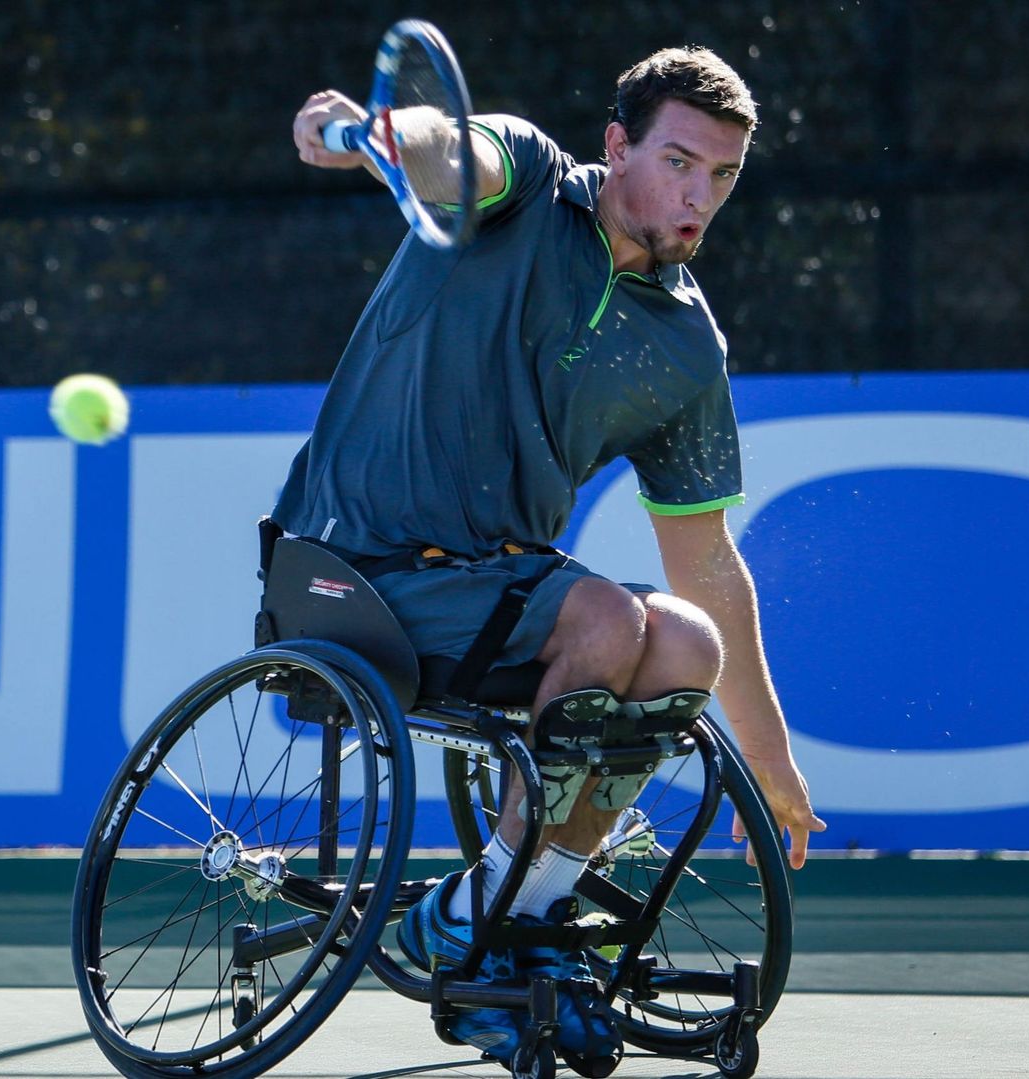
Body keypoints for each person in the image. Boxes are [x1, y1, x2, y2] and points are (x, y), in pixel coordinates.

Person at [276, 46, 827, 1066]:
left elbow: (705, 558)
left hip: (491, 593)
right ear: (617, 147)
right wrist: (390, 139)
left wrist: (769, 753)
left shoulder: (686, 348)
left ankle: (494, 908)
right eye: (678, 161)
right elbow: (456, 157)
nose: (698, 194)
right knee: (614, 620)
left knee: (682, 641)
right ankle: (489, 916)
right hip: (344, 568)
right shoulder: (526, 180)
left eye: (722, 175)